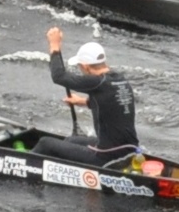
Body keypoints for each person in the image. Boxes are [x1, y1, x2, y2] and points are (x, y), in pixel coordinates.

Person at [43, 25, 147, 165]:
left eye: (80, 67)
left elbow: (59, 76)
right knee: (71, 140)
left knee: (45, 143)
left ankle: (25, 165)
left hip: (106, 156)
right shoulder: (119, 79)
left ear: (86, 66)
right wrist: (83, 102)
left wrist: (54, 45)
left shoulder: (97, 81)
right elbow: (112, 105)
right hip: (128, 150)